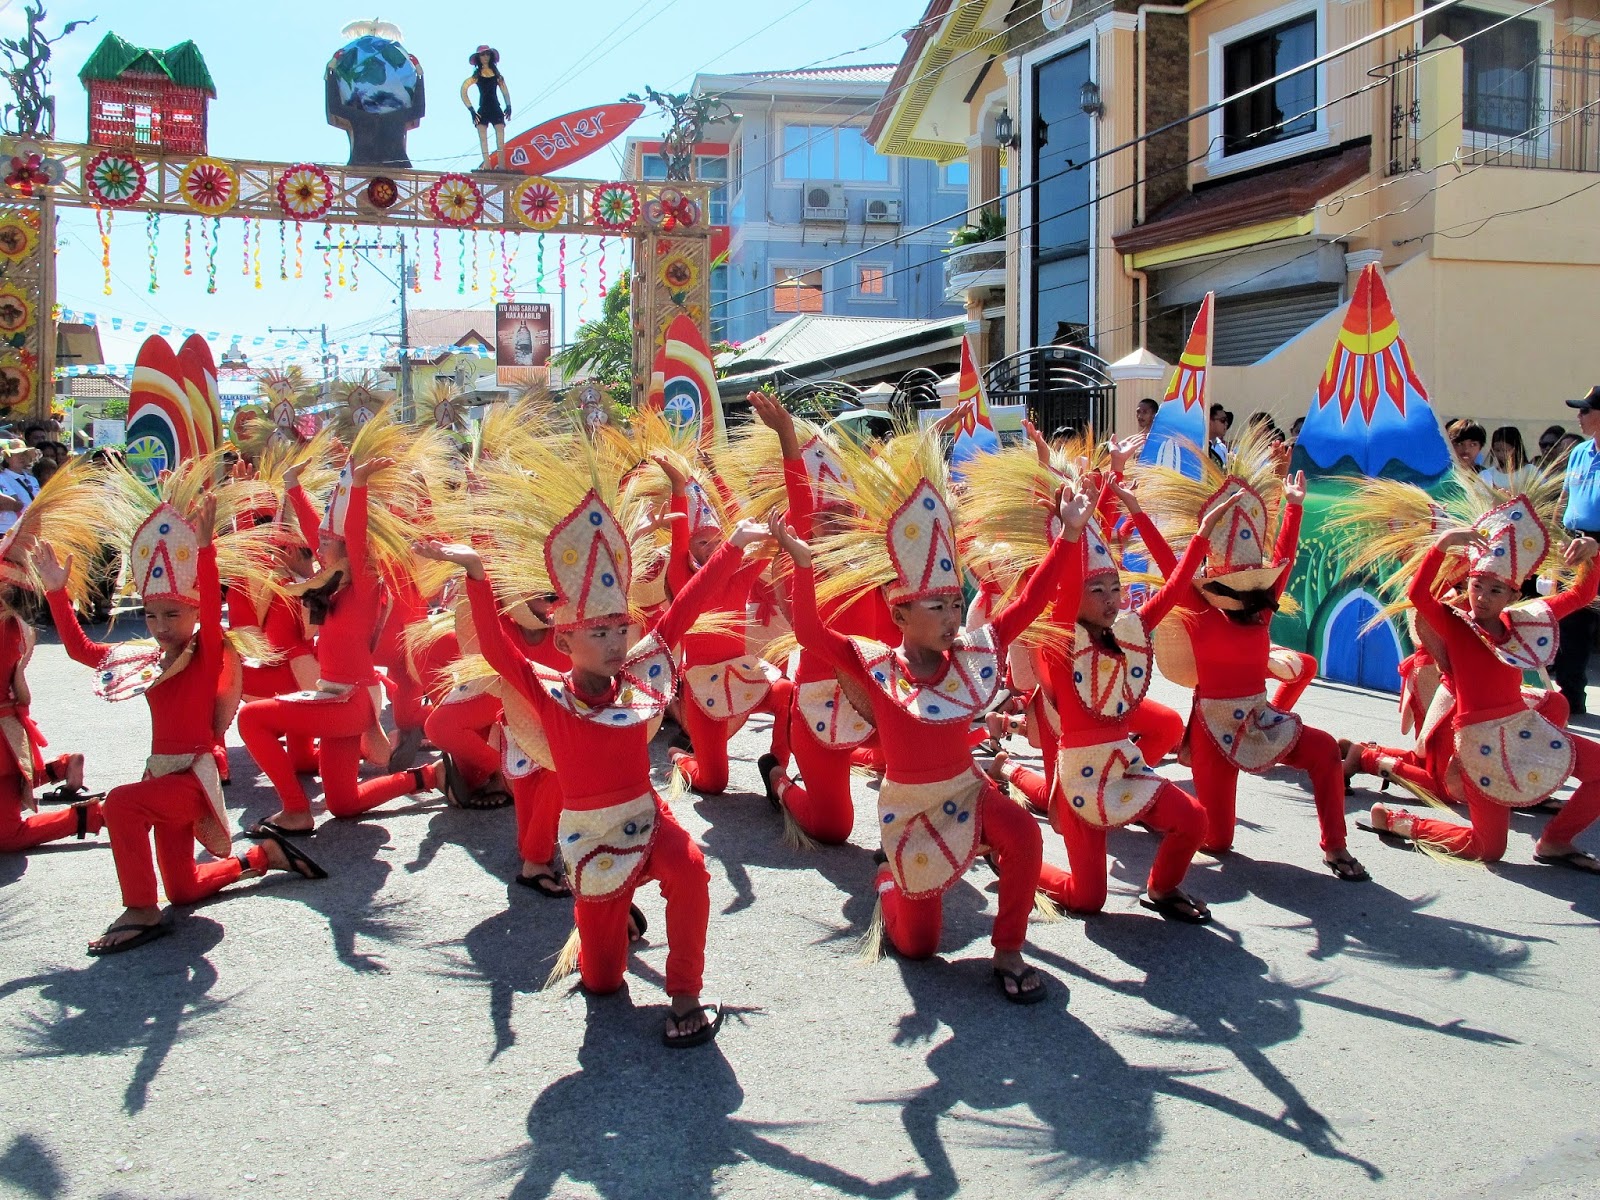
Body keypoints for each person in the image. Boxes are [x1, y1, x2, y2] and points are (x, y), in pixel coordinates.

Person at [419, 440, 773, 1047]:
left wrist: (734, 545)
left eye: (619, 629)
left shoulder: (638, 672)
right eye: (599, 632)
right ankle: (607, 921)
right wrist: (477, 573)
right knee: (602, 982)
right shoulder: (548, 693)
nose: (615, 642)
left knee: (690, 872)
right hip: (589, 838)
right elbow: (501, 651)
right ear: (563, 644)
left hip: (647, 815)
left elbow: (683, 611)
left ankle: (685, 993)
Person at [774, 429, 1084, 1003]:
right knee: (919, 948)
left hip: (968, 789)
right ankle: (890, 877)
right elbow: (809, 631)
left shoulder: (970, 652)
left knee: (1020, 834)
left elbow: (1029, 604)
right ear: (900, 612)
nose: (951, 616)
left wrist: (1067, 538)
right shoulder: (873, 664)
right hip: (912, 810)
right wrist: (800, 565)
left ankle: (1008, 947)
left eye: (954, 603)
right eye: (937, 606)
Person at [37, 486, 326, 954]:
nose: (159, 624)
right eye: (150, 615)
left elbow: (213, 613)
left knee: (124, 805)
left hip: (192, 778)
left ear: (193, 611)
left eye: (172, 613)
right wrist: (55, 593)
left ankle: (140, 910)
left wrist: (208, 549)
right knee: (185, 889)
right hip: (162, 775)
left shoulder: (205, 653)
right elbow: (81, 650)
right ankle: (263, 856)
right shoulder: (148, 659)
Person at [994, 473, 1234, 924]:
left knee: (1195, 819)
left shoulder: (1128, 630)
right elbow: (1054, 596)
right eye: (1096, 591)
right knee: (1088, 900)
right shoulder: (1059, 644)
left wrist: (1201, 536)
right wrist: (1068, 534)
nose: (1109, 600)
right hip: (1081, 781)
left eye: (1114, 589)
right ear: (1073, 597)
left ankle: (1161, 889)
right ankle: (1014, 862)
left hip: (1125, 765)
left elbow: (1176, 589)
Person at [1148, 450, 1368, 882]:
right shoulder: (1199, 608)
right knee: (1216, 841)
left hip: (1259, 717)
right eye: (1231, 583)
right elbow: (1169, 565)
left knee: (1324, 751)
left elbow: (1285, 553)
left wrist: (1295, 504)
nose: (1240, 590)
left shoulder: (1262, 610)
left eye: (1248, 583)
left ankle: (1336, 846)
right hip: (1212, 728)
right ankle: (1153, 806)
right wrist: (1139, 512)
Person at [237, 425, 447, 837]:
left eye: (325, 546)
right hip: (338, 696)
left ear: (349, 551)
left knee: (250, 719)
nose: (316, 548)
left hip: (348, 700)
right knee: (343, 804)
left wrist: (362, 485)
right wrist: (293, 487)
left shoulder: (365, 584)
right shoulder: (330, 581)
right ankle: (430, 776)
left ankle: (295, 809)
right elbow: (325, 530)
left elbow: (350, 533)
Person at [1368, 502, 1600, 870]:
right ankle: (1402, 821)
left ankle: (1556, 840)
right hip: (1480, 744)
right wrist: (1440, 546)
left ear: (1513, 596)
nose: (1483, 597)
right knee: (1487, 849)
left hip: (1524, 729)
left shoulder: (1527, 621)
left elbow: (1581, 596)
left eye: (1495, 590)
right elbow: (1418, 595)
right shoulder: (1455, 623)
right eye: (1477, 586)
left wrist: (1593, 555)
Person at [746, 391, 891, 845]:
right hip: (819, 705)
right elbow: (801, 498)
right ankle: (778, 781)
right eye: (825, 512)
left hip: (878, 696)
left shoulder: (876, 561)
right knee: (833, 827)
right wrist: (789, 435)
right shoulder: (807, 561)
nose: (835, 519)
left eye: (846, 510)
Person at [1554, 386, 1600, 715]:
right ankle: (1571, 697)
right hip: (1572, 541)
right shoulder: (1579, 452)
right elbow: (1564, 500)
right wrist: (1556, 533)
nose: (1578, 416)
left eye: (1585, 410)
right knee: (1571, 622)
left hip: (1597, 542)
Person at [461, 45, 511, 168]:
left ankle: (502, 166)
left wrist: (508, 105)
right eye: (482, 55)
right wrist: (471, 110)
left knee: (500, 139)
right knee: (483, 139)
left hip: (495, 108)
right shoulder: (476, 76)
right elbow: (463, 90)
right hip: (483, 108)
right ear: (478, 58)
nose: (485, 57)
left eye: (487, 54)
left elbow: (505, 91)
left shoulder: (497, 75)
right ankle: (487, 166)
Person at [0, 439, 38, 532]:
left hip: (30, 528)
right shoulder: (2, 478)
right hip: (8, 530)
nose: (21, 457)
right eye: (16, 454)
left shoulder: (32, 479)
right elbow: (16, 505)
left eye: (24, 454)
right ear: (7, 458)